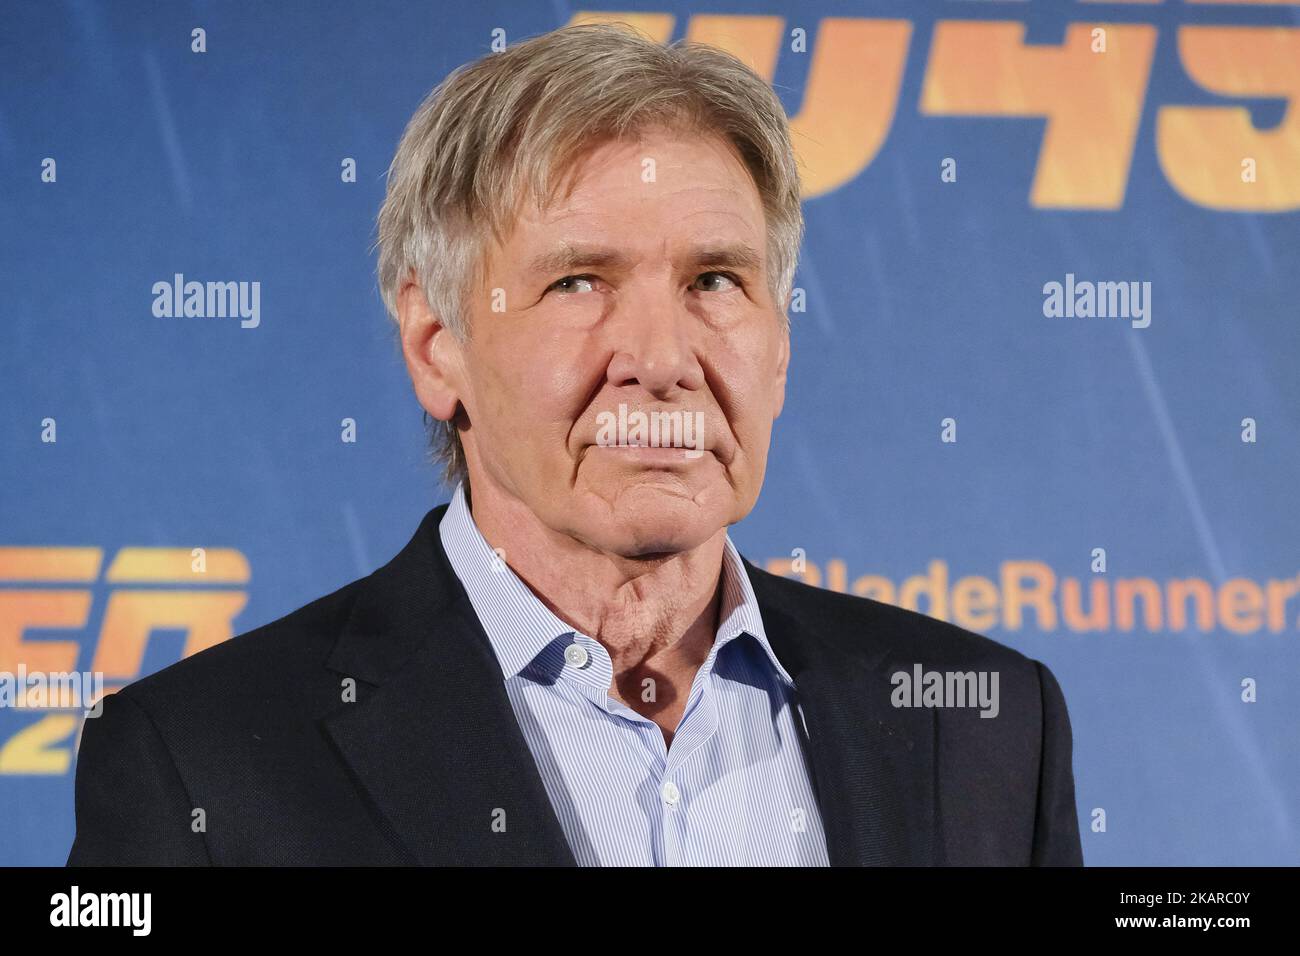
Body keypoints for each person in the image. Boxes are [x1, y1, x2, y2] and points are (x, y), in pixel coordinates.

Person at [67, 22, 1082, 866]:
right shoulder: (198, 761)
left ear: (779, 342)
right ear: (436, 348)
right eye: (578, 281)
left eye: (715, 280)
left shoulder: (987, 723)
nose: (660, 356)